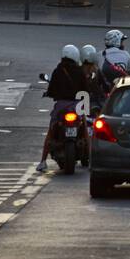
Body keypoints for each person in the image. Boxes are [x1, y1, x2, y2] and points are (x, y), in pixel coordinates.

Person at [37, 44, 84, 172]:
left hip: (61, 106)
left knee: (52, 128)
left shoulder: (58, 70)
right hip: (76, 106)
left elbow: (51, 89)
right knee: (84, 125)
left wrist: (50, 94)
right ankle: (91, 155)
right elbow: (86, 89)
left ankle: (43, 161)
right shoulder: (80, 71)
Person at [80, 44, 105, 114]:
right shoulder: (97, 70)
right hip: (94, 100)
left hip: (78, 100)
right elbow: (105, 85)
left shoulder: (77, 70)